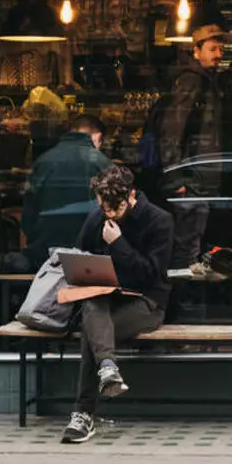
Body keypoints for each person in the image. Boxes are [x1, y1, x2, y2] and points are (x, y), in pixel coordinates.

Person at [60, 166, 173, 444]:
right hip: (103, 301)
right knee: (92, 312)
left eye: (116, 208)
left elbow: (151, 273)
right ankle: (107, 368)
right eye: (104, 207)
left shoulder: (159, 221)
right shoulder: (97, 217)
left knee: (92, 331)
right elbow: (80, 255)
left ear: (131, 195)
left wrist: (119, 243)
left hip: (146, 303)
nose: (109, 214)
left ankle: (83, 414)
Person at [160, 22, 226, 268]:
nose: (219, 54)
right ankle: (182, 303)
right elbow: (172, 131)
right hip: (192, 182)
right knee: (186, 249)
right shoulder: (192, 82)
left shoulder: (205, 81)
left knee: (191, 246)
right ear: (196, 50)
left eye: (221, 49)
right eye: (213, 49)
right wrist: (176, 181)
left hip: (200, 180)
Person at [18, 115, 113, 270]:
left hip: (44, 254)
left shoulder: (43, 161)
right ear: (97, 136)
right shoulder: (103, 163)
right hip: (91, 257)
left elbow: (28, 216)